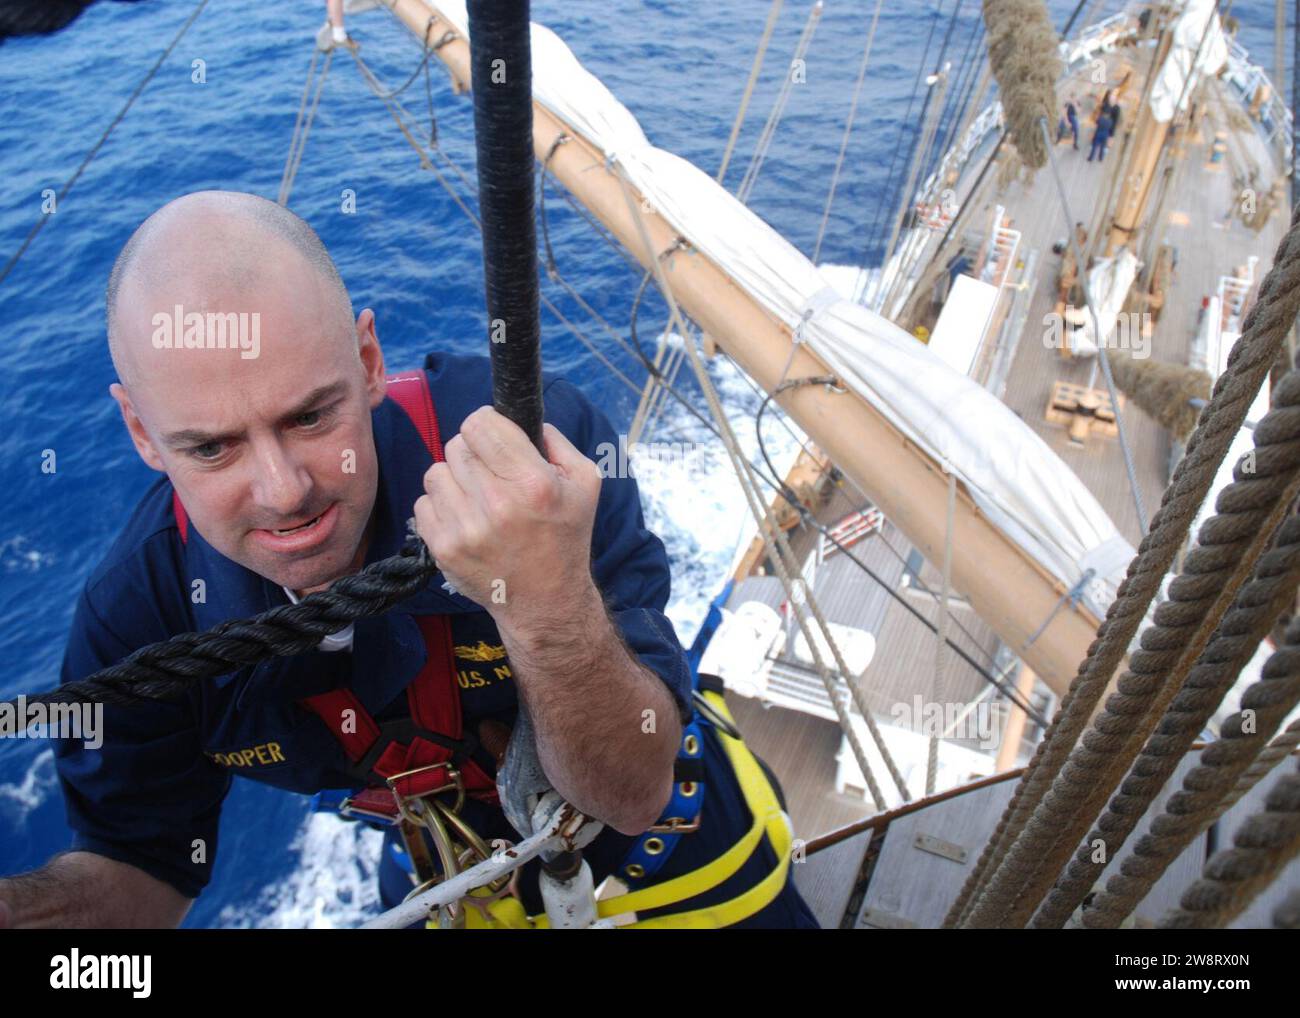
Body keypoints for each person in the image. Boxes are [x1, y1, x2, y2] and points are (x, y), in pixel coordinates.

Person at [0, 191, 819, 929]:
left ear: (367, 364)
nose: (284, 492)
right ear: (141, 433)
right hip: (449, 884)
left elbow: (635, 791)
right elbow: (138, 870)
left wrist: (547, 603)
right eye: (210, 449)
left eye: (312, 417)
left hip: (679, 859)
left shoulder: (535, 457)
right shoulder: (143, 617)